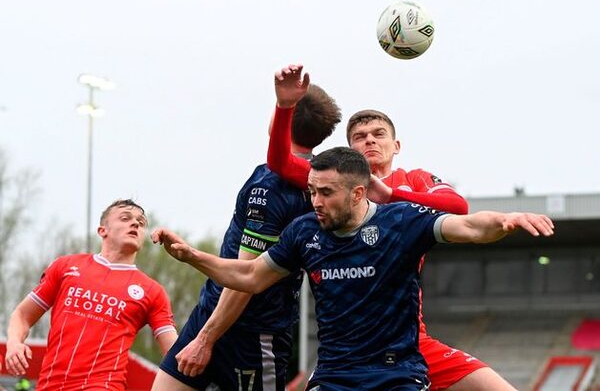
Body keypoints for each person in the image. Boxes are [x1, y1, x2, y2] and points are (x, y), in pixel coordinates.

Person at [152, 146, 554, 390]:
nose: (315, 201)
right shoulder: (304, 231)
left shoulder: (400, 221)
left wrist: (503, 220)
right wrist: (193, 257)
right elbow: (250, 276)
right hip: (335, 376)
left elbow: (466, 224)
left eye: (325, 192)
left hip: (395, 376)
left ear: (358, 192)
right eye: (311, 191)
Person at [266, 67, 516, 390]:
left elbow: (458, 206)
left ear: (396, 145)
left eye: (378, 133)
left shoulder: (414, 180)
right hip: (348, 350)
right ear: (349, 151)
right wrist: (284, 107)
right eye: (359, 136)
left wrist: (390, 194)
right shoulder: (332, 183)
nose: (369, 139)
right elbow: (280, 162)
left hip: (407, 341)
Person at [151, 68, 341, 391]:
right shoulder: (312, 179)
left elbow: (245, 278)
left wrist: (205, 339)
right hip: (213, 312)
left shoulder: (271, 186)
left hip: (250, 333)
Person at [4, 199, 177, 391]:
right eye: (125, 218)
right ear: (103, 230)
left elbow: (174, 351)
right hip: (49, 385)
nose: (135, 223)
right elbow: (22, 315)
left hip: (103, 386)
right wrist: (13, 343)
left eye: (141, 222)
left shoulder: (152, 291)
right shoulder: (66, 266)